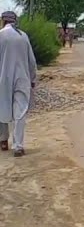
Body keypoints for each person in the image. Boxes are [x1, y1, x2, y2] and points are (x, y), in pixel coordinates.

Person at [0, 11, 37, 157]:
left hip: (2, 79)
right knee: (20, 112)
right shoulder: (23, 36)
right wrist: (33, 79)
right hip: (22, 78)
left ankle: (3, 140)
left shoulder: (1, 35)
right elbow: (32, 61)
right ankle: (18, 146)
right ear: (15, 21)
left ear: (3, 21)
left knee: (2, 106)